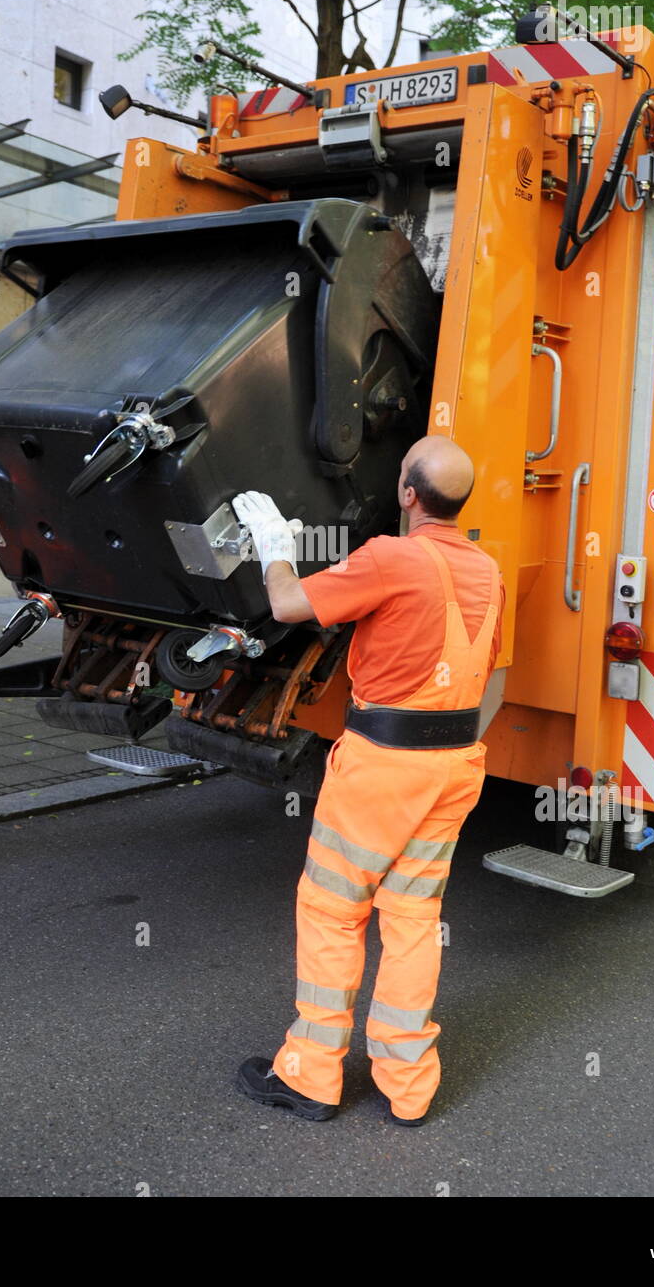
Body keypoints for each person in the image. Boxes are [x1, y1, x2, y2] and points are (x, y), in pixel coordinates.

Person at [232, 435, 504, 1125]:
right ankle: (407, 1086)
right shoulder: (487, 572)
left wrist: (273, 544)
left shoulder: (392, 555)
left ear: (407, 494)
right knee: (412, 917)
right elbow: (492, 672)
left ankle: (311, 1074)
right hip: (455, 766)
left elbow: (290, 604)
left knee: (331, 908)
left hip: (383, 768)